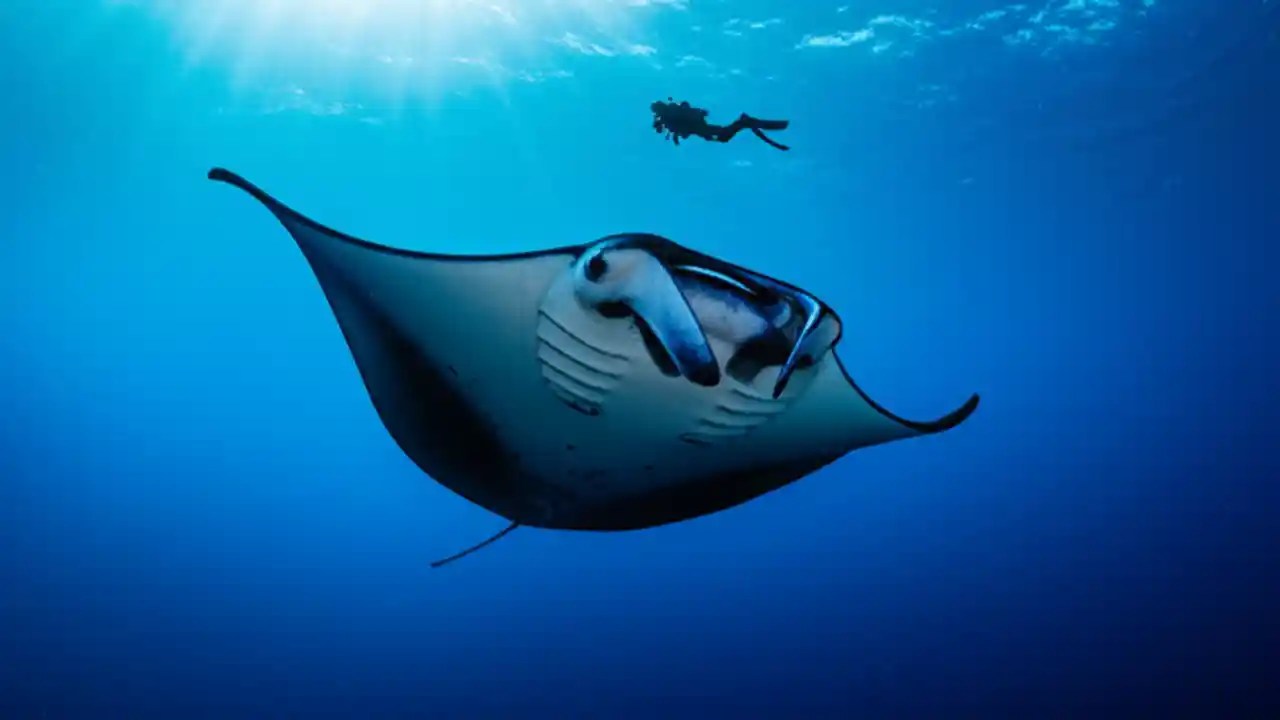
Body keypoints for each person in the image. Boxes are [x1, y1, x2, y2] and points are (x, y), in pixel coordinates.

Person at [650, 98, 791, 151]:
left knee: (724, 136)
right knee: (723, 136)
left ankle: (743, 121)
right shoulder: (670, 115)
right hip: (703, 129)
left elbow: (682, 130)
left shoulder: (669, 117)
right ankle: (743, 122)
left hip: (703, 130)